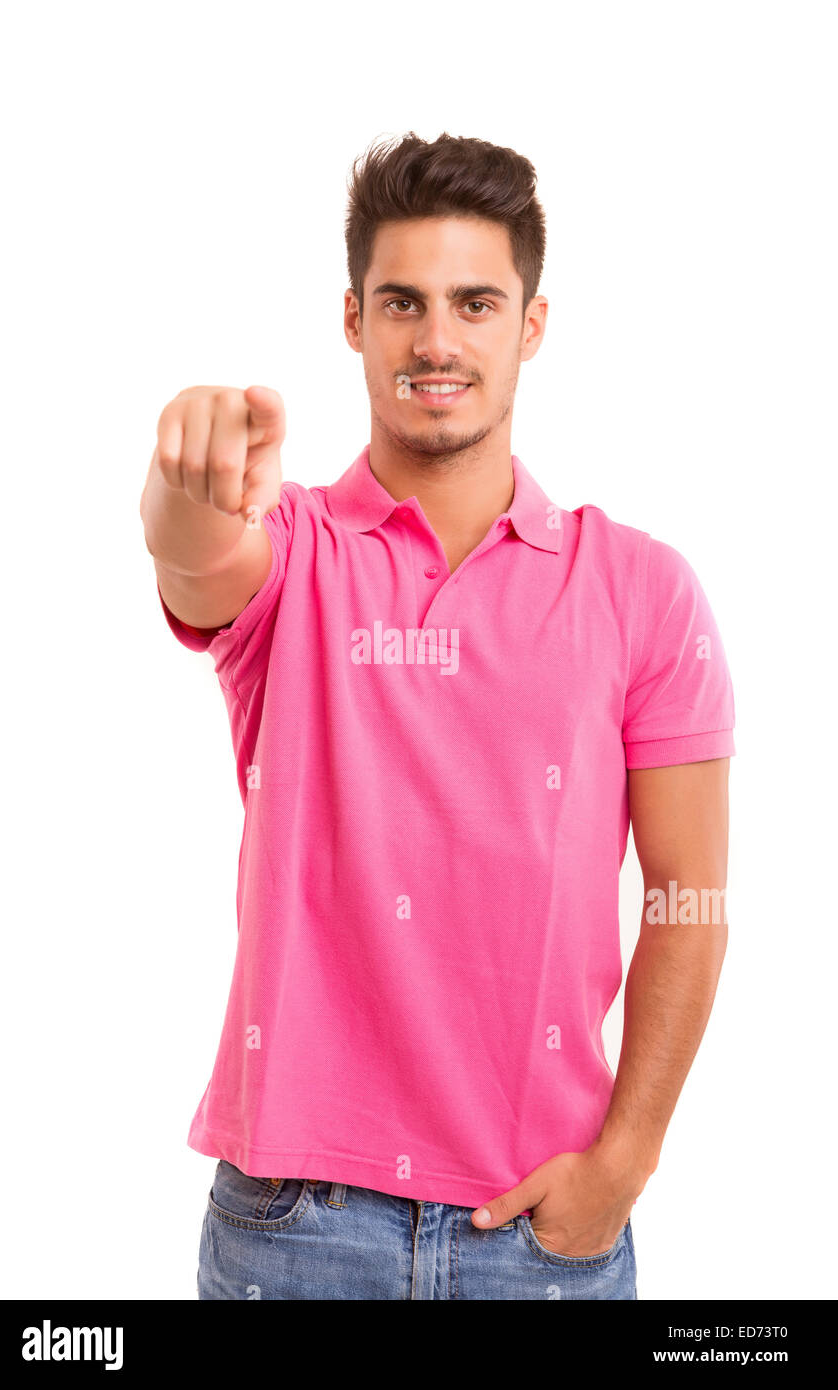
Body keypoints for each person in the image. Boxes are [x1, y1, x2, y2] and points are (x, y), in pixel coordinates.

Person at [139, 132, 735, 1301]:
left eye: (474, 302)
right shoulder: (295, 553)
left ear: (531, 325)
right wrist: (185, 471)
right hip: (294, 1227)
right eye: (403, 302)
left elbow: (689, 901)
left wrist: (624, 1162)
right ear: (354, 319)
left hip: (541, 1234)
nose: (437, 339)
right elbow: (194, 551)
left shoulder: (641, 589)